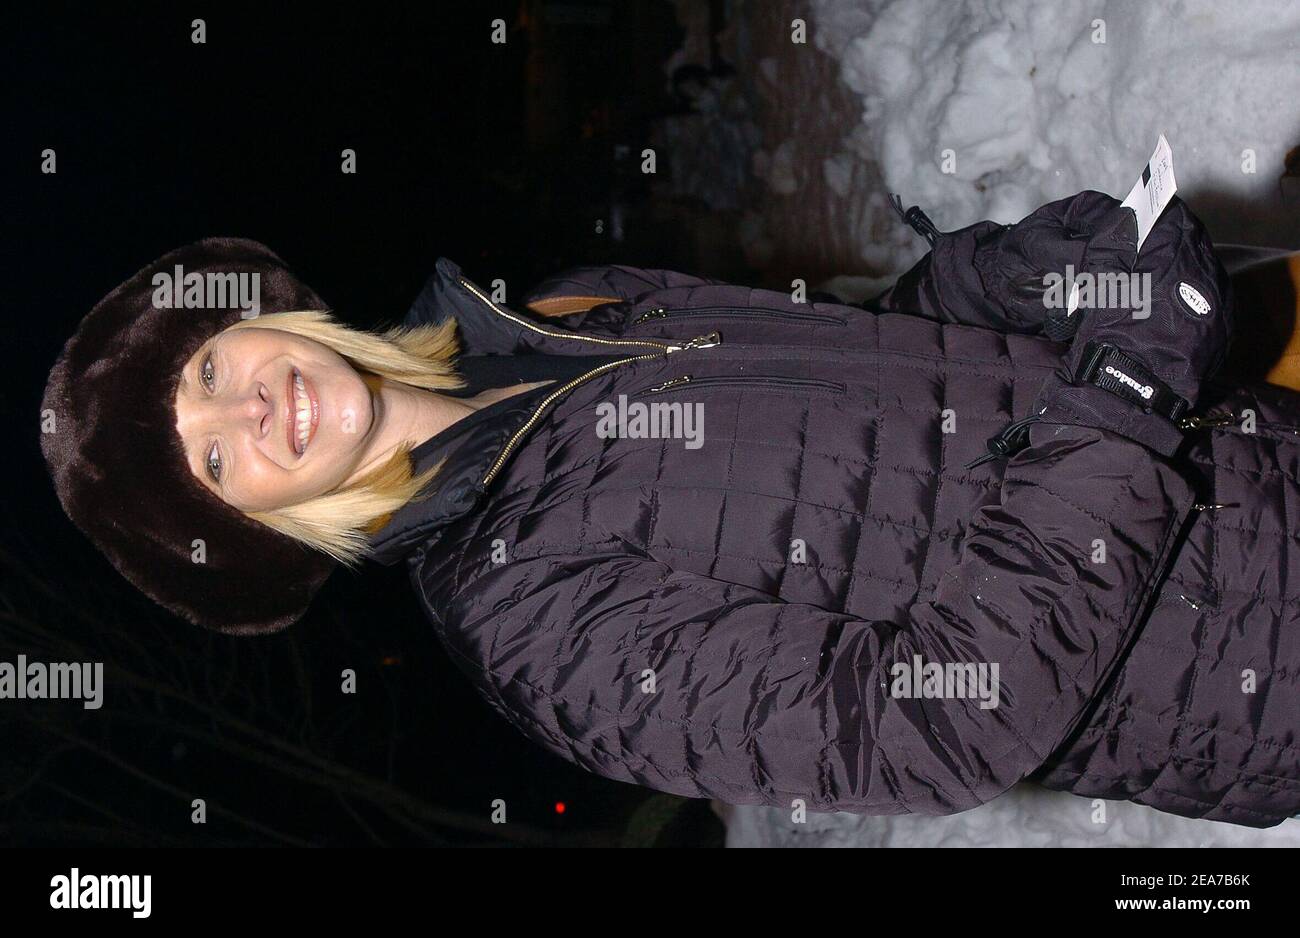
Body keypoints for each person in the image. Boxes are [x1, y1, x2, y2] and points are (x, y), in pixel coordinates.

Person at [40, 192, 1300, 827]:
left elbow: (875, 359)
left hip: (1260, 458)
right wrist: (1123, 400)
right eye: (213, 463)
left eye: (207, 372)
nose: (247, 413)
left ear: (255, 316)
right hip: (1250, 663)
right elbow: (934, 724)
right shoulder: (535, 630)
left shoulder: (568, 306)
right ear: (256, 526)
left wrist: (1017, 269)